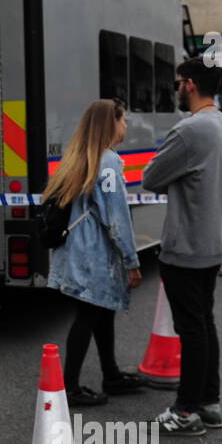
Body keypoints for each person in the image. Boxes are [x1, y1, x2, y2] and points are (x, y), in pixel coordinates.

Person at [140, 57, 222, 436]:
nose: (176, 89)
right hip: (215, 241)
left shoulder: (190, 130)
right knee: (205, 324)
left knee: (191, 329)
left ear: (192, 84)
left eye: (179, 82)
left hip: (187, 244)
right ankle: (210, 402)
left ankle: (186, 410)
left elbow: (151, 177)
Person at [42, 99, 144, 408]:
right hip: (92, 255)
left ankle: (111, 374)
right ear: (110, 123)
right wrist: (132, 261)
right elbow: (116, 217)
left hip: (77, 252)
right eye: (123, 120)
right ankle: (69, 386)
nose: (126, 125)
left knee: (101, 312)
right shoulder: (108, 161)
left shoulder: (80, 157)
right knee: (88, 315)